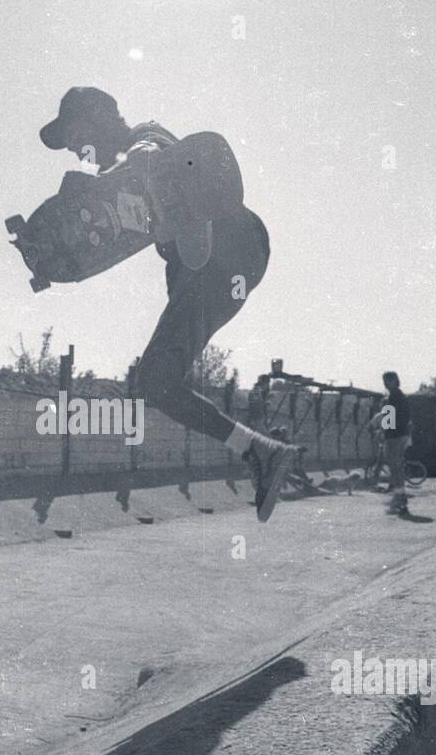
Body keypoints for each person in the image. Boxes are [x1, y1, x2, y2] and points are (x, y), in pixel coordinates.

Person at [39, 86, 296, 522]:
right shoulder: (124, 180)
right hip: (218, 270)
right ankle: (259, 451)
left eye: (76, 137)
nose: (77, 152)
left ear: (100, 117)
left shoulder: (144, 136)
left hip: (233, 243)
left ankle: (192, 231)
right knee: (155, 381)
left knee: (148, 184)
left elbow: (153, 145)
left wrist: (137, 162)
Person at [370, 370, 411, 515]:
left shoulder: (393, 397)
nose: (386, 384)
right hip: (400, 435)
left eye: (388, 380)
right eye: (384, 381)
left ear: (395, 380)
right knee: (396, 467)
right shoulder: (399, 396)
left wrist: (382, 431)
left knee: (395, 467)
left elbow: (389, 419)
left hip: (394, 437)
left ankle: (400, 498)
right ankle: (400, 497)